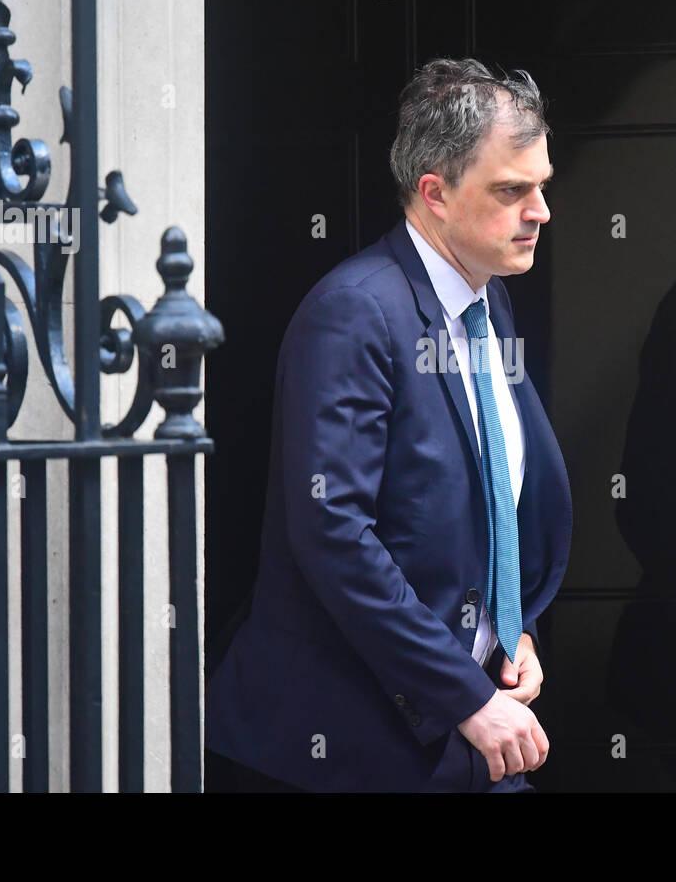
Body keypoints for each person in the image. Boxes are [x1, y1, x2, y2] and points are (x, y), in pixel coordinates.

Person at [205, 57, 573, 792]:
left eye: (541, 187)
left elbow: (489, 497)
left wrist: (515, 626)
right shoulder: (355, 312)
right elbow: (332, 529)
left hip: (464, 733)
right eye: (512, 191)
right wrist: (465, 695)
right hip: (347, 747)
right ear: (434, 193)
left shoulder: (487, 302)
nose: (541, 211)